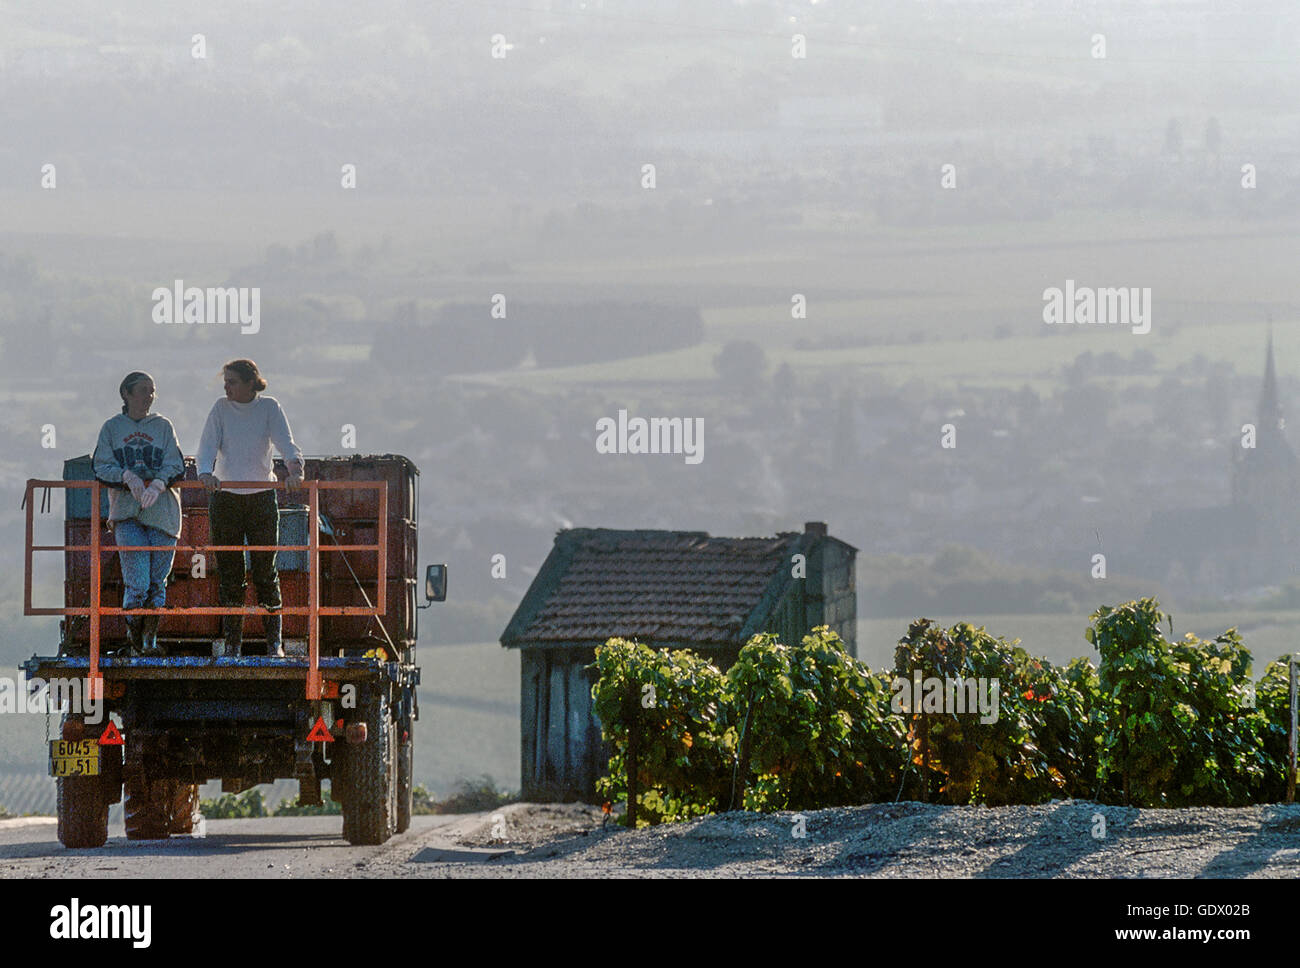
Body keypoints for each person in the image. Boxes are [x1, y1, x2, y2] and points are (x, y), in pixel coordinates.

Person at [197, 359, 304, 657]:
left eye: (231, 381)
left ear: (248, 382)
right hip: (226, 498)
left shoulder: (269, 408)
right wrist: (204, 472)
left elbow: (287, 443)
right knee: (230, 573)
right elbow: (206, 446)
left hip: (261, 497)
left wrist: (295, 470)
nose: (226, 387)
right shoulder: (220, 408)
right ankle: (233, 644)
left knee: (265, 571)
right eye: (225, 381)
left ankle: (274, 643)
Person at [92, 372, 184, 656]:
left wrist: (158, 483)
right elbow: (100, 465)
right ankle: (134, 641)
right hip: (127, 514)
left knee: (158, 581)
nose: (149, 396)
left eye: (152, 391)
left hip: (164, 514)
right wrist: (126, 476)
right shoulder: (112, 428)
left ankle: (149, 641)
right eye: (143, 390)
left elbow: (175, 463)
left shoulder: (163, 426)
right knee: (138, 582)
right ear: (126, 394)